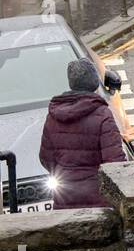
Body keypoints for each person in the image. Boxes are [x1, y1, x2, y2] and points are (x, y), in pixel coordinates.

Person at [38, 59, 126, 210]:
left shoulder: (53, 116)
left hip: (64, 198)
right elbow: (115, 162)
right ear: (94, 83)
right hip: (99, 200)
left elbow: (46, 158)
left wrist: (66, 173)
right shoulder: (102, 114)